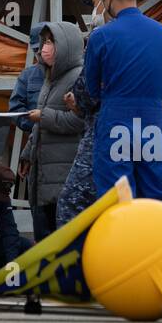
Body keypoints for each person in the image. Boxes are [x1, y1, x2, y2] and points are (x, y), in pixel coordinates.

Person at [81, 0, 162, 202]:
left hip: (115, 120)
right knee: (157, 195)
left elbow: (91, 90)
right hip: (152, 120)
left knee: (118, 198)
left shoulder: (101, 36)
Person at [20, 21, 85, 242]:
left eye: (51, 41)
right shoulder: (50, 79)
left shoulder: (78, 77)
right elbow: (40, 123)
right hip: (43, 177)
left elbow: (80, 121)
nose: (44, 48)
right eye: (44, 41)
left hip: (63, 179)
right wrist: (28, 153)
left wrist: (44, 116)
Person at [55, 73, 100, 227]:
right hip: (148, 127)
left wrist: (43, 117)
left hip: (102, 134)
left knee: (71, 205)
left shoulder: (99, 49)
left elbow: (87, 94)